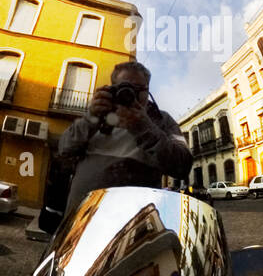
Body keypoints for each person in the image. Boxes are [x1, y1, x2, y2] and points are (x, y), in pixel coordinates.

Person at [57, 61, 192, 218]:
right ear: (112, 88)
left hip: (131, 223)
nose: (130, 95)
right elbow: (64, 148)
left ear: (148, 90)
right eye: (124, 87)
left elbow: (183, 165)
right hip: (83, 219)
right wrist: (90, 119)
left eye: (138, 89)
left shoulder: (162, 120)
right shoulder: (97, 114)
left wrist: (143, 127)